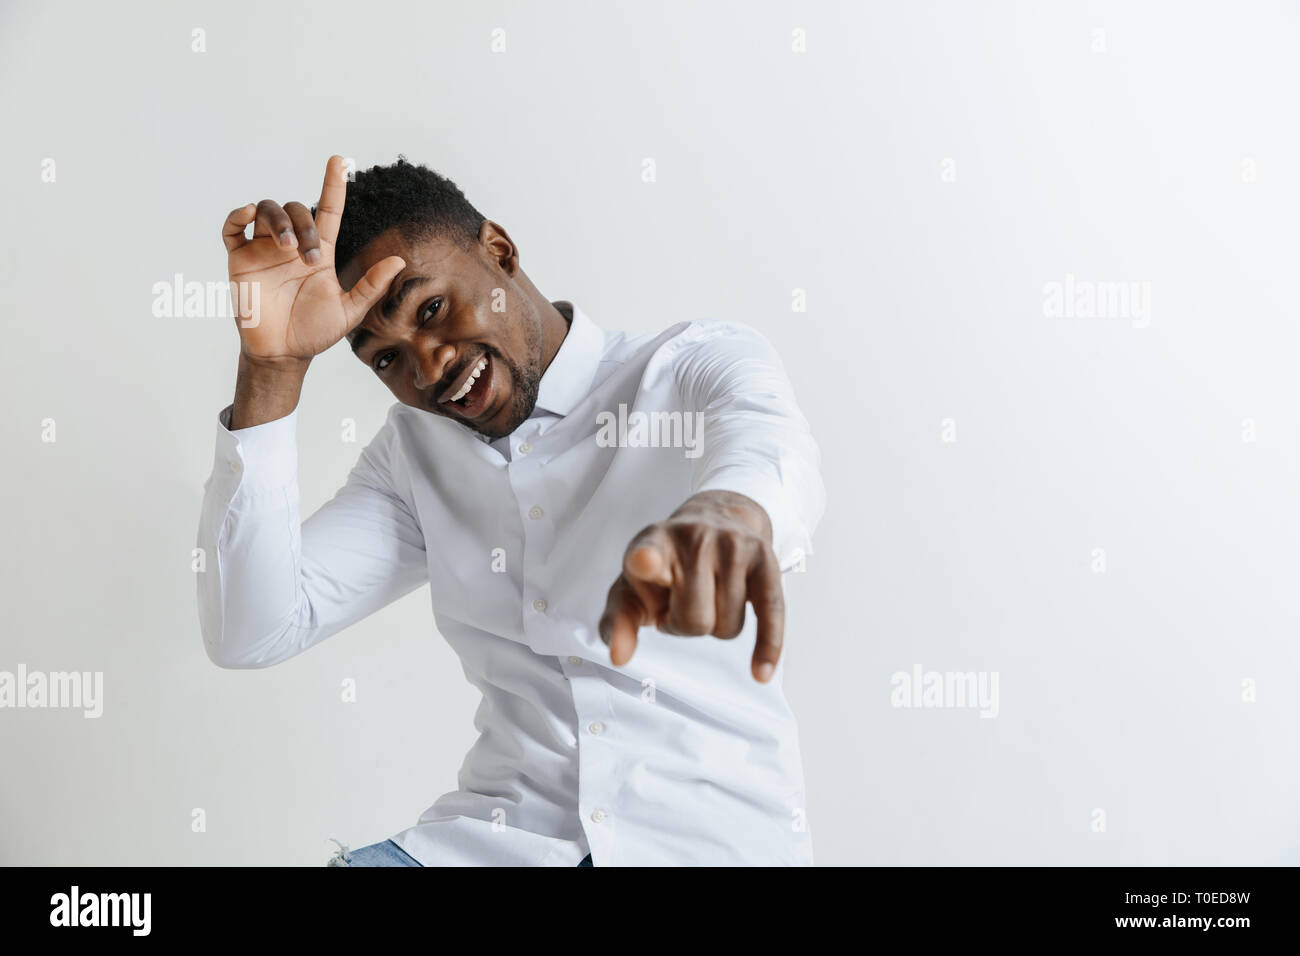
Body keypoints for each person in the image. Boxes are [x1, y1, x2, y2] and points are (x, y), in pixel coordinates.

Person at [196, 155, 826, 866]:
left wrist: (730, 515)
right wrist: (271, 371)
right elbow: (253, 629)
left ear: (498, 250)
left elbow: (771, 448)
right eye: (386, 360)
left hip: (704, 842)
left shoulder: (687, 369)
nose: (428, 369)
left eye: (431, 310)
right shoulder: (412, 455)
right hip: (498, 845)